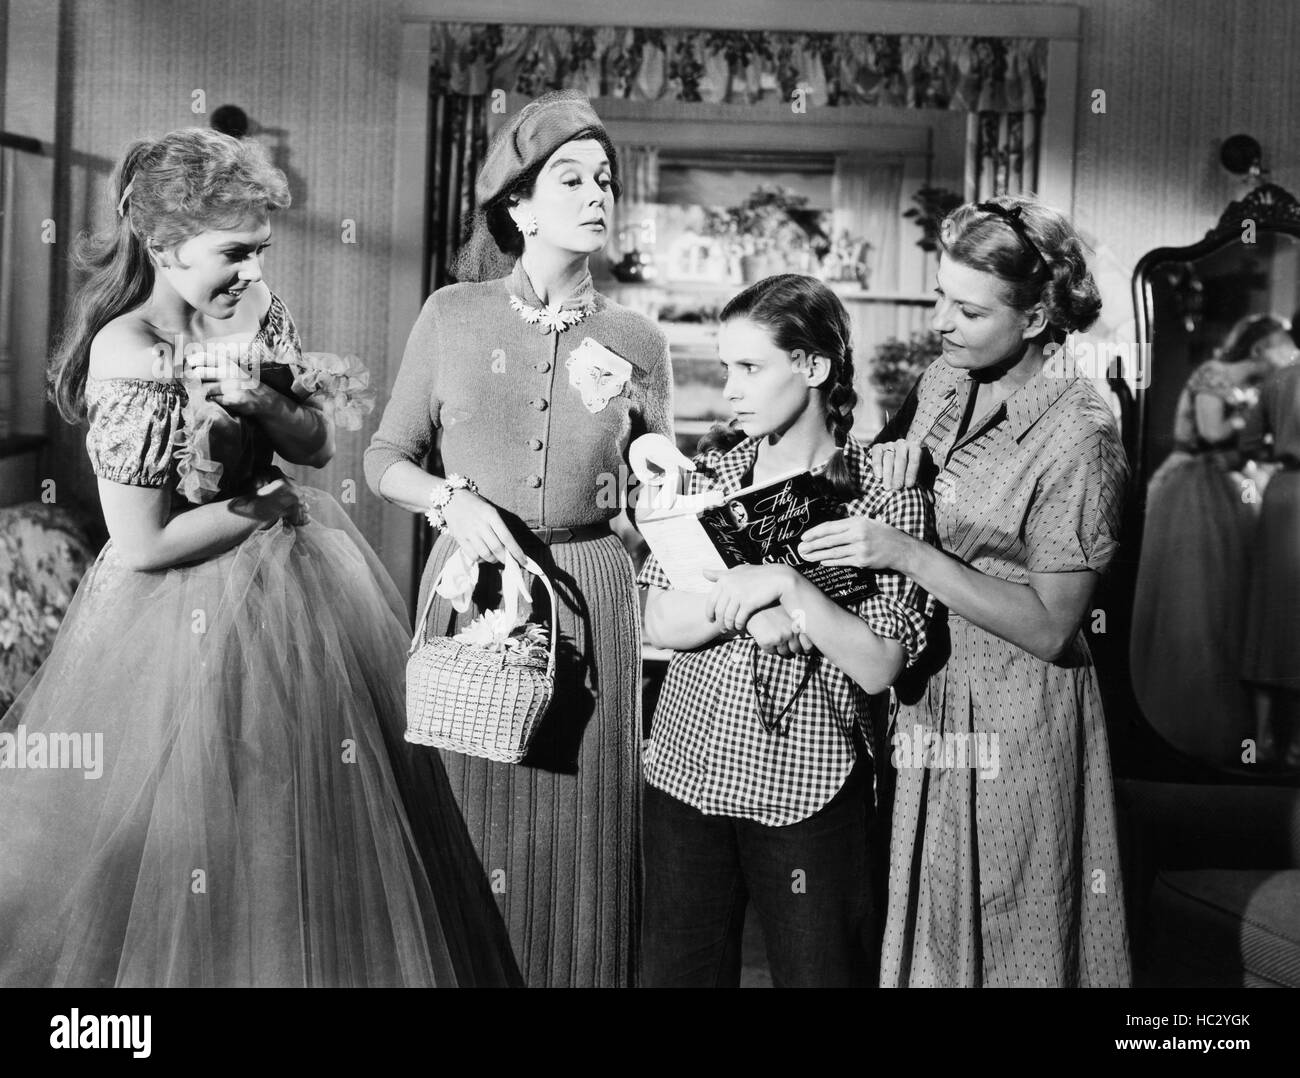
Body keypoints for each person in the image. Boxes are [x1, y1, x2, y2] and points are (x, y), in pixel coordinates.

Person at [0, 128, 519, 987]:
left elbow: (315, 442)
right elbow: (143, 543)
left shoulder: (253, 306)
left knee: (309, 821)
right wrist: (265, 506)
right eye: (232, 252)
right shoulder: (130, 355)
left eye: (261, 250)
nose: (251, 270)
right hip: (175, 617)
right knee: (199, 836)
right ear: (163, 247)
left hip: (302, 595)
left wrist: (261, 405)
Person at [364, 91, 674, 988]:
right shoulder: (452, 314)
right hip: (475, 593)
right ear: (518, 206)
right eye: (570, 179)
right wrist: (449, 501)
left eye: (605, 180)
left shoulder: (637, 338)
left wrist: (664, 494)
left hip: (594, 595)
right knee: (469, 815)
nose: (596, 195)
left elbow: (643, 502)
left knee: (587, 844)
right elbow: (385, 457)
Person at [800, 195, 1131, 987]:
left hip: (1019, 710)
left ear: (1039, 312)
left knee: (1011, 921)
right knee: (930, 922)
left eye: (969, 309)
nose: (943, 321)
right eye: (941, 296)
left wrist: (909, 554)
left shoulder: (1081, 435)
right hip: (926, 689)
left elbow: (1055, 627)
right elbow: (890, 472)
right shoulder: (949, 376)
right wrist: (885, 470)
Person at [637, 275, 936, 988]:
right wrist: (745, 604)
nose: (730, 387)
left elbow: (879, 664)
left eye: (749, 367)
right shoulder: (709, 479)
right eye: (725, 366)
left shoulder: (883, 497)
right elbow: (657, 616)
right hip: (686, 777)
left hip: (810, 786)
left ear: (812, 368)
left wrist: (788, 587)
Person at [1130, 314, 1292, 768]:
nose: (1291, 355)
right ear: (1261, 349)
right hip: (1194, 488)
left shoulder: (1257, 386)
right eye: (1285, 347)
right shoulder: (1214, 375)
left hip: (1228, 483)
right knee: (1195, 592)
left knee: (1231, 596)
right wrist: (1256, 424)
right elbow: (1213, 431)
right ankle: (1187, 711)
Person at [1241, 323, 1300, 768]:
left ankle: (1261, 740)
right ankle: (1296, 745)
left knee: (1268, 613)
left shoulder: (1277, 381)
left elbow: (1247, 443)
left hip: (1282, 493)